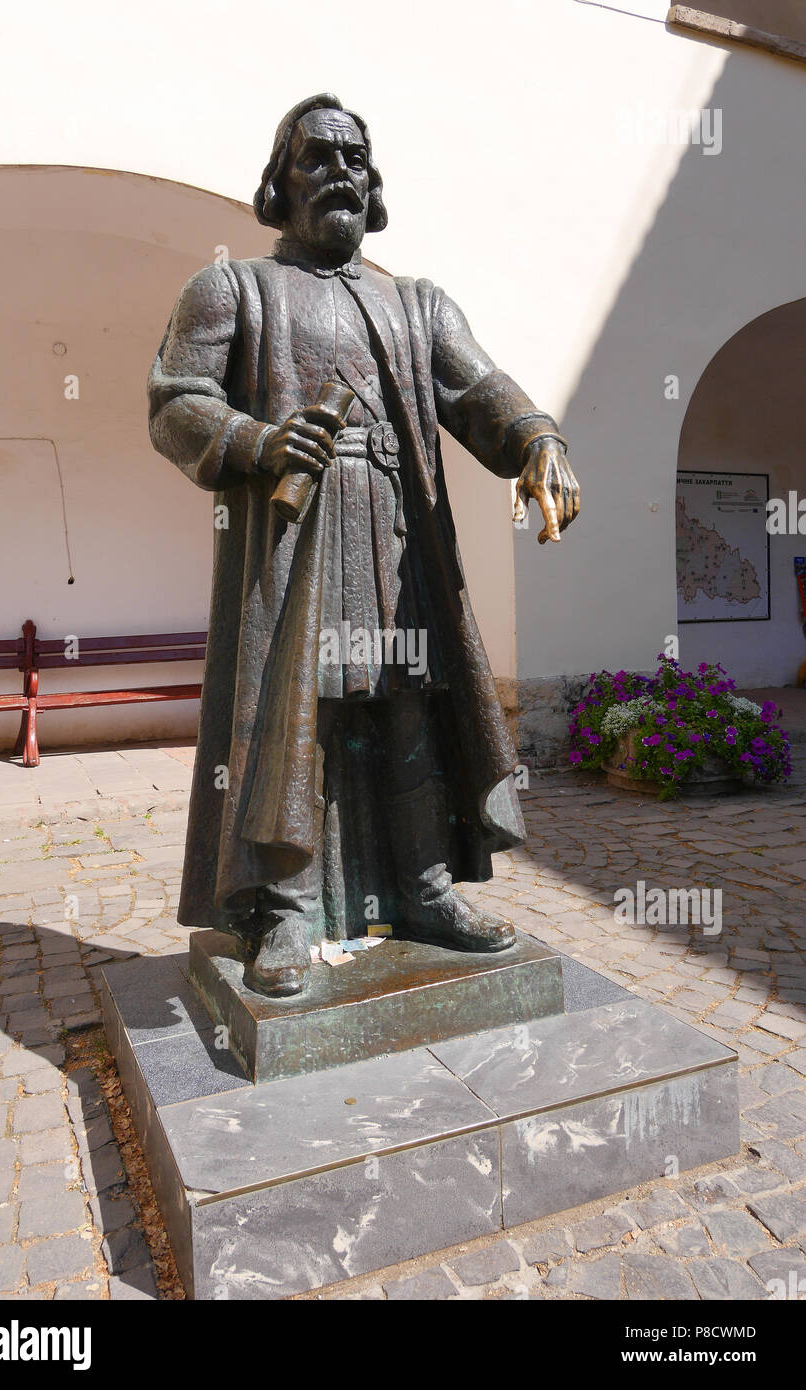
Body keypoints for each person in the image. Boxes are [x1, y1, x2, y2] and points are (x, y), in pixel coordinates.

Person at [148, 93, 580, 997]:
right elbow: (176, 402)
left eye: (355, 157)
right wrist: (257, 441)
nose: (340, 171)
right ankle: (287, 907)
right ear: (283, 179)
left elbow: (480, 390)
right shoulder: (233, 288)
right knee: (298, 716)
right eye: (319, 157)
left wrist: (537, 439)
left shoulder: (415, 303)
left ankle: (425, 890)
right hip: (294, 546)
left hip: (396, 534)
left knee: (406, 702)